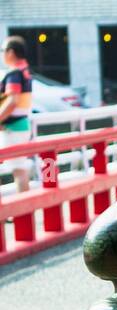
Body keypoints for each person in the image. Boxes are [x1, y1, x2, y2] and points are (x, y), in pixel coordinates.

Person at [0, 36, 33, 193]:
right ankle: (25, 215)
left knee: (18, 170)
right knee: (19, 169)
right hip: (21, 126)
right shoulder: (24, 70)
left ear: (11, 52)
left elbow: (12, 100)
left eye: (2, 50)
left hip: (12, 128)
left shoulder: (14, 73)